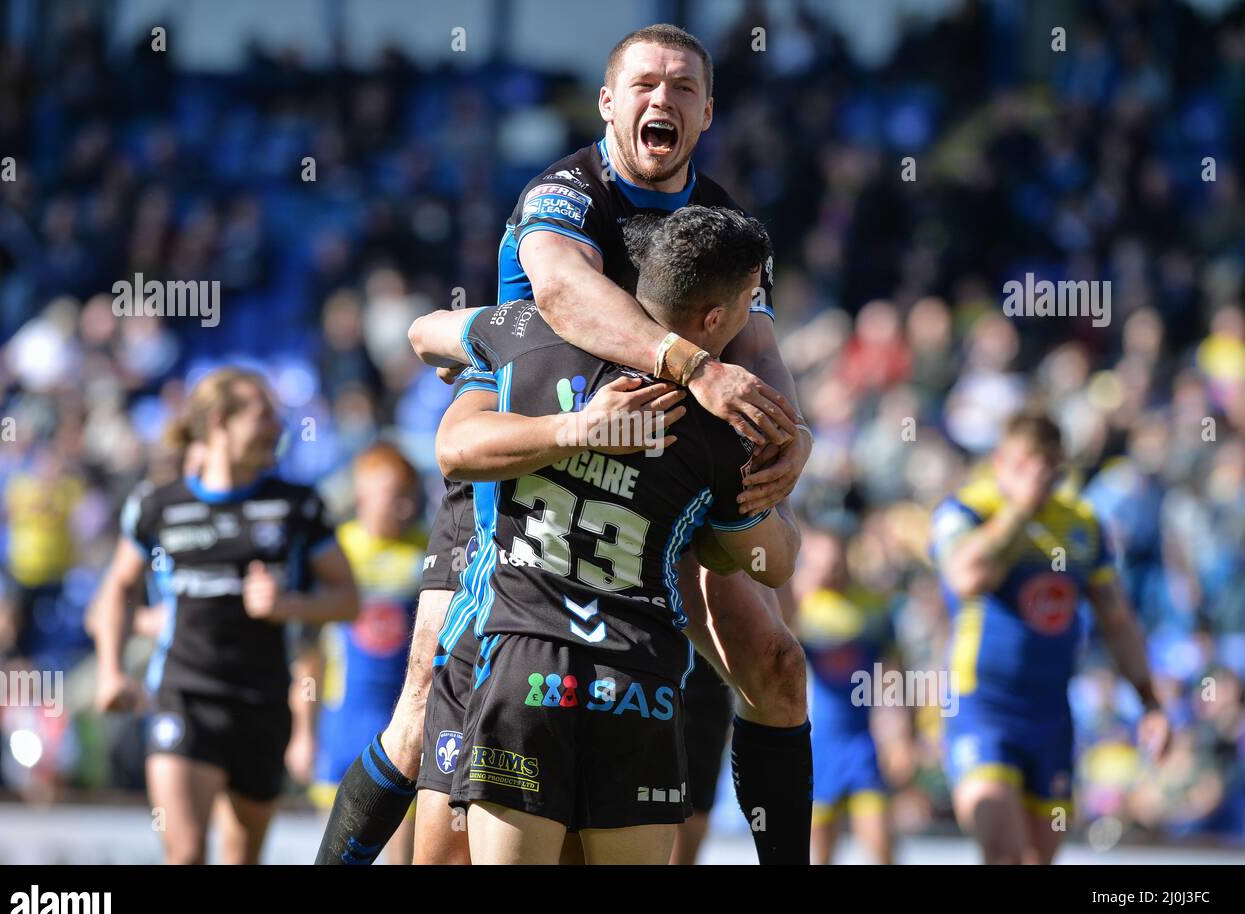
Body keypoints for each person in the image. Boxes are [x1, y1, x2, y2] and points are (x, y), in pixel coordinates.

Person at [316, 22, 813, 868]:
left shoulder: (723, 220)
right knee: (419, 719)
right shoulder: (567, 191)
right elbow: (557, 291)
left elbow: (759, 353)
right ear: (608, 103)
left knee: (774, 661)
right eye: (646, 83)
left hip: (659, 479)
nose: (665, 99)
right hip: (521, 474)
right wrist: (694, 368)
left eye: (685, 87)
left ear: (708, 111)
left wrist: (791, 436)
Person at [421, 207, 800, 862]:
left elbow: (426, 341)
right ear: (714, 319)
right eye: (749, 306)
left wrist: (567, 429)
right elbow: (772, 563)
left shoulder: (523, 336)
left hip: (522, 661)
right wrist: (777, 471)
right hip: (639, 679)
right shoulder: (717, 435)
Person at [90, 367, 360, 864]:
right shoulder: (157, 506)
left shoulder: (297, 505)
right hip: (184, 696)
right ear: (220, 421)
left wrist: (288, 606)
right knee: (187, 853)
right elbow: (116, 590)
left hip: (263, 704)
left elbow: (348, 598)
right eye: (264, 416)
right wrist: (109, 670)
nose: (278, 427)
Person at [930, 411, 1170, 864]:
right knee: (1002, 853)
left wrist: (1150, 702)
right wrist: (1021, 510)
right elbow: (966, 576)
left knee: (1040, 858)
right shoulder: (967, 510)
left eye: (1047, 468)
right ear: (1000, 462)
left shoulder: (1082, 524)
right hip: (982, 706)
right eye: (1023, 465)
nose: (1036, 478)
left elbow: (1117, 621)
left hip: (1051, 710)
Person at [294, 442, 425, 864]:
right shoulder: (338, 553)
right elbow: (310, 650)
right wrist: (302, 732)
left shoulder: (430, 549)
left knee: (401, 855)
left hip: (404, 725)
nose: (405, 508)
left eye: (411, 496)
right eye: (395, 497)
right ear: (363, 495)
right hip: (342, 725)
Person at [795, 525, 895, 864]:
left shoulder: (871, 607)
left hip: (861, 740)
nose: (829, 566)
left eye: (834, 558)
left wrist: (899, 733)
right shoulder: (797, 605)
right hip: (813, 743)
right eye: (820, 559)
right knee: (816, 851)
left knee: (882, 843)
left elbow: (891, 669)